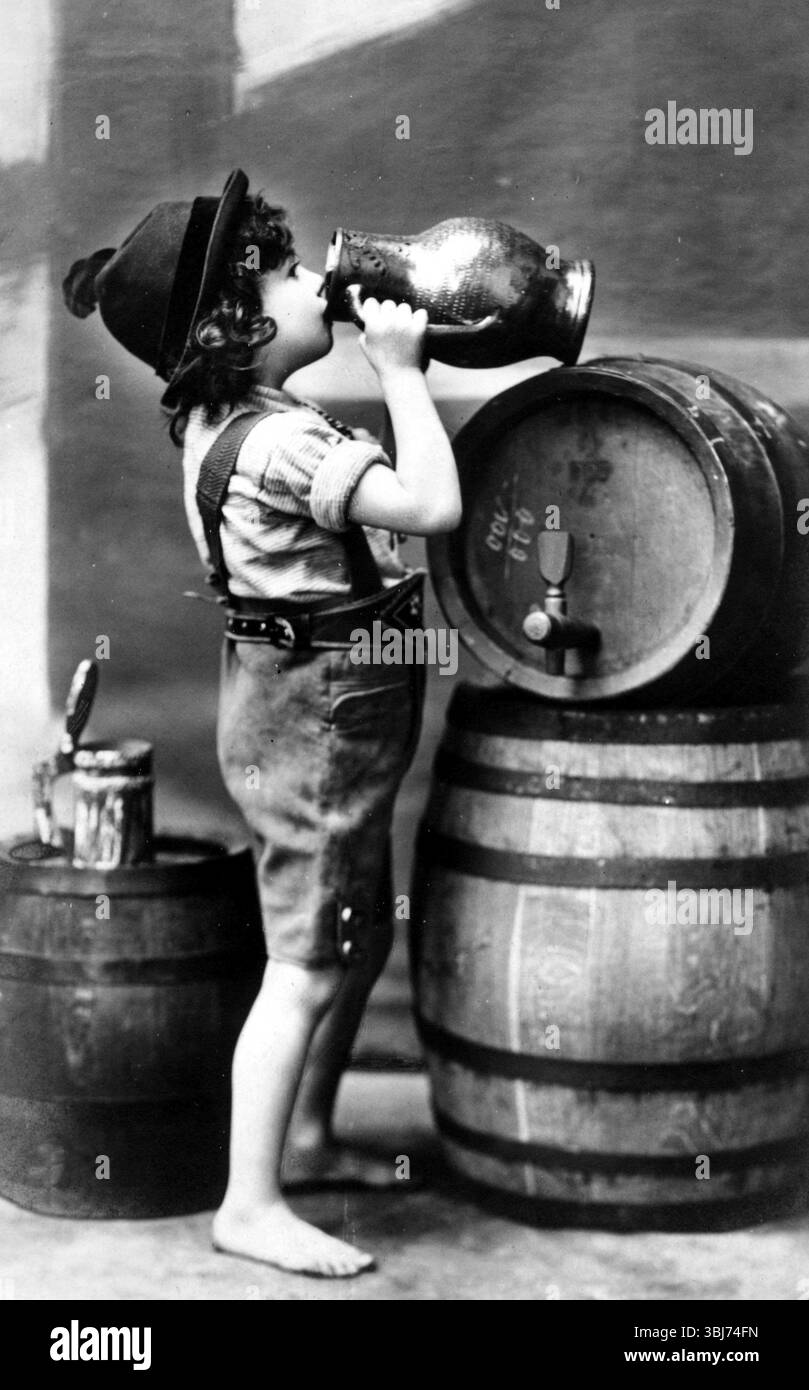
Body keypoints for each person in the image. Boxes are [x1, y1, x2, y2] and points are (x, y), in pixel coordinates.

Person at [63, 169, 461, 1277]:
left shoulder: (230, 415)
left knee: (350, 935)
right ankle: (249, 1199)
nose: (313, 280)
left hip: (303, 705)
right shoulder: (282, 445)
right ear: (235, 327)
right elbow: (430, 507)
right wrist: (402, 374)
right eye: (285, 274)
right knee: (305, 962)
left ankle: (312, 1132)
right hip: (317, 721)